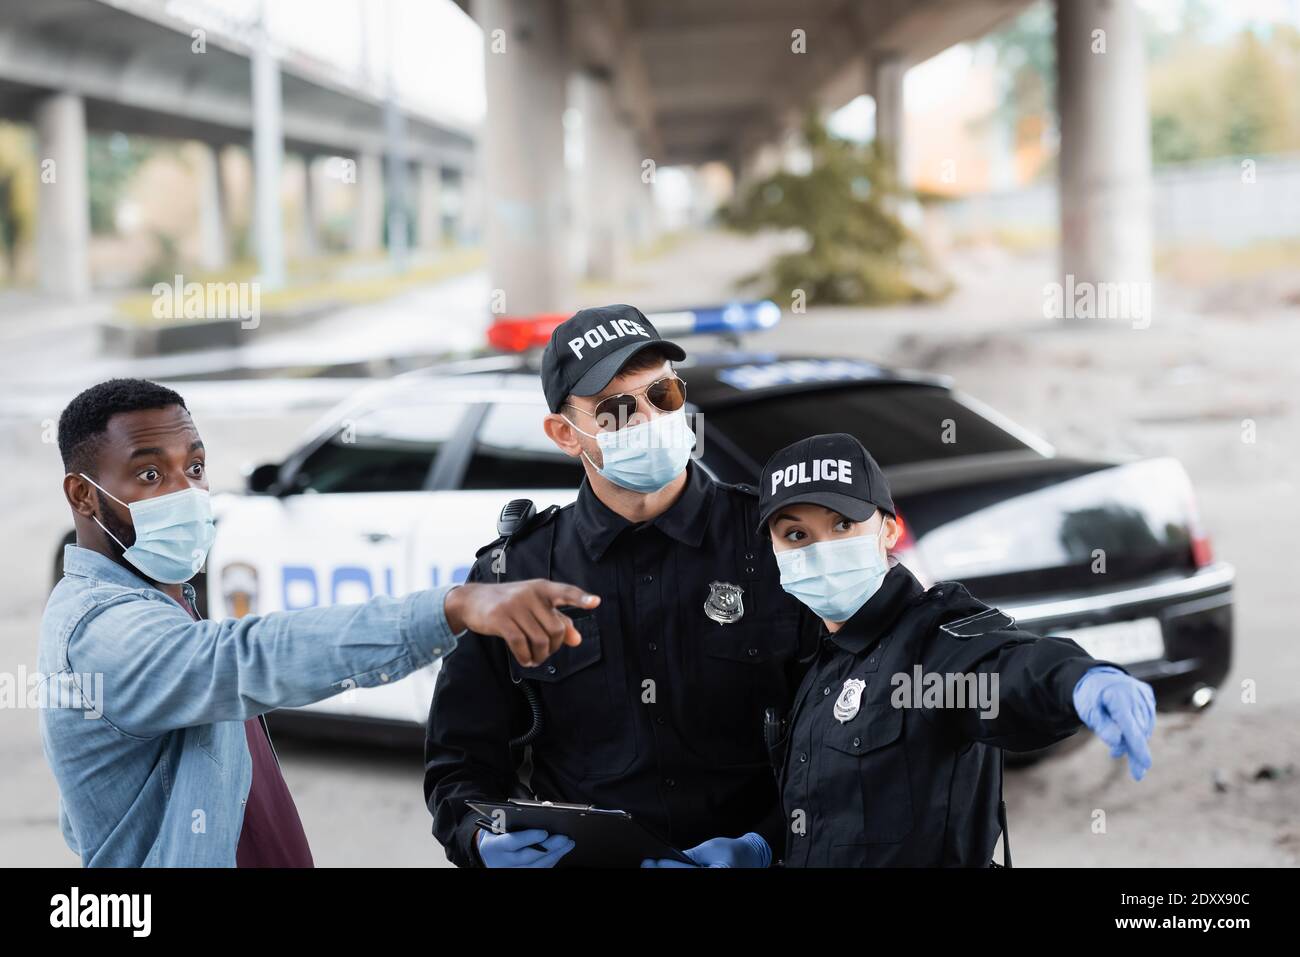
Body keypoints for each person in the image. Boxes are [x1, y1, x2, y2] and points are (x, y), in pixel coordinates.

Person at [39, 378, 596, 867]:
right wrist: (450, 607)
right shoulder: (99, 631)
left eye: (196, 466)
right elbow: (245, 657)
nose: (187, 492)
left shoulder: (165, 603)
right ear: (84, 495)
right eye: (151, 473)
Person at [423, 304, 817, 868]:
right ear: (565, 434)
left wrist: (763, 843)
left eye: (662, 395)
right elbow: (459, 764)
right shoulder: (514, 575)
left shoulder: (773, 541)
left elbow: (849, 735)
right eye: (615, 410)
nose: (648, 420)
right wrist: (483, 839)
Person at [753, 432, 1155, 867]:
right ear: (774, 549)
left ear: (887, 530)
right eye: (796, 534)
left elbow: (1004, 672)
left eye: (842, 525)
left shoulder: (932, 642)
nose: (821, 549)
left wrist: (1079, 681)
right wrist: (761, 850)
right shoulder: (818, 660)